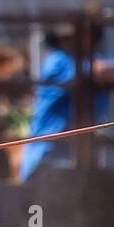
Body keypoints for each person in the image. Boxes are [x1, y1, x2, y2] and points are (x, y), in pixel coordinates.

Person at [19, 28, 76, 182]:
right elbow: (92, 72)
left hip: (59, 149)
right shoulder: (60, 61)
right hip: (47, 151)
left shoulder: (66, 60)